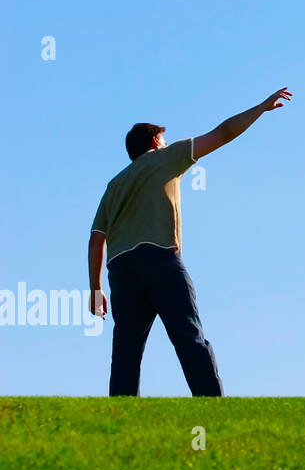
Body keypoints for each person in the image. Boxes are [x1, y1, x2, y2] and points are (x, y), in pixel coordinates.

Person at [88, 88, 292, 396]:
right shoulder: (166, 157)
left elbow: (96, 239)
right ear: (155, 142)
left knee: (126, 353)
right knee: (188, 335)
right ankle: (212, 406)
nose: (168, 143)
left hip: (120, 270)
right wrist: (261, 108)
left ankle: (122, 414)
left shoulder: (114, 185)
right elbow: (223, 133)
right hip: (157, 258)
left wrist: (96, 288)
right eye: (164, 139)